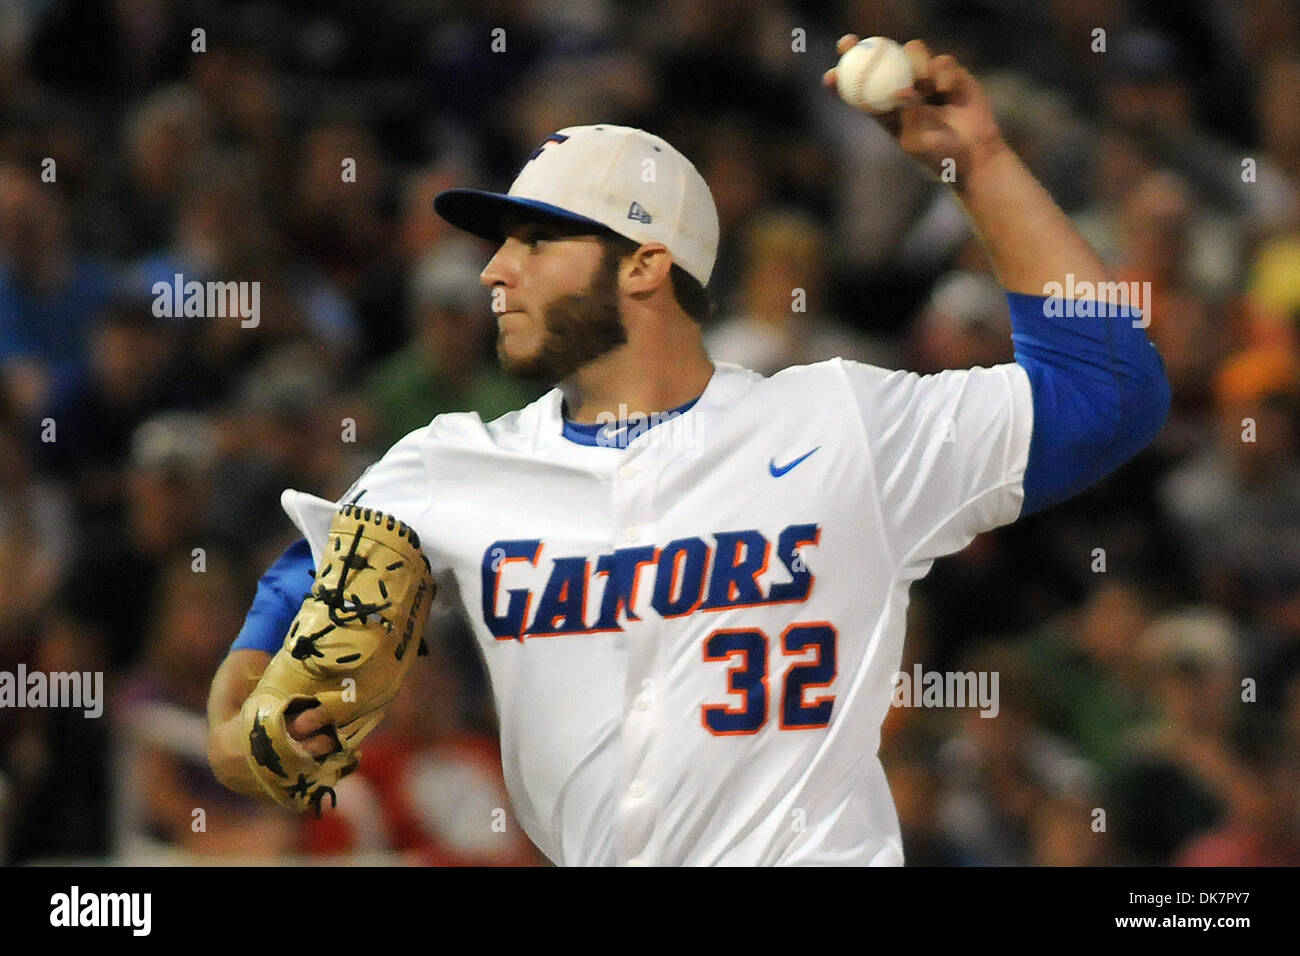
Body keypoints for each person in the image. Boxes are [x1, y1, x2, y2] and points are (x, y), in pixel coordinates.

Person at [207, 36, 1171, 866]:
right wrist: (243, 729)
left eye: (537, 241)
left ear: (644, 261)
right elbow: (286, 614)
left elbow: (1110, 390)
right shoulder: (446, 466)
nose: (494, 270)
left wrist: (984, 163)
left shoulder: (840, 424)